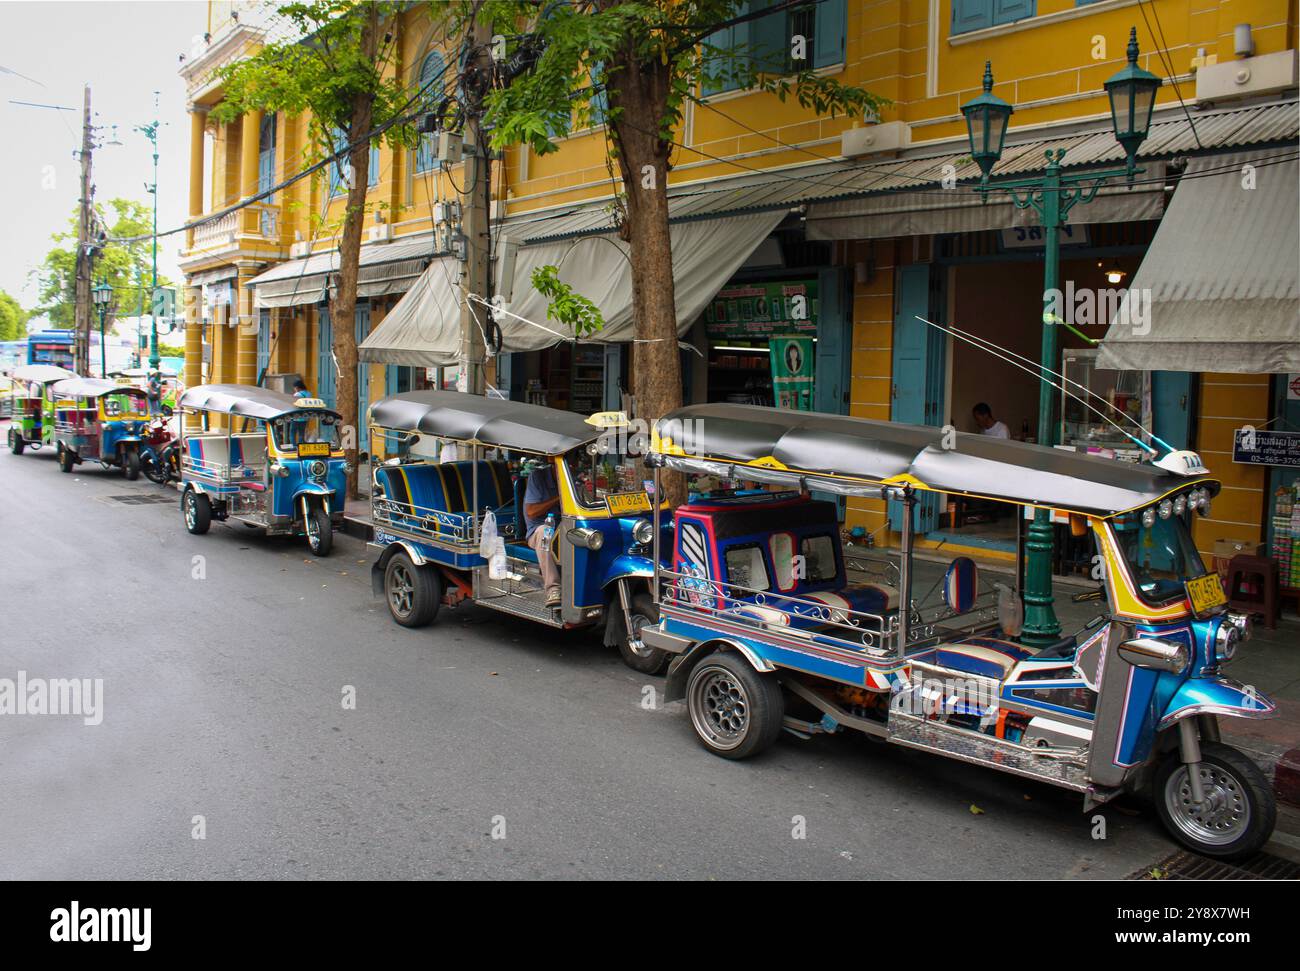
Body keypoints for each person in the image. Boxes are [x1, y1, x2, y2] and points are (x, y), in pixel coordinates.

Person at [523, 460, 562, 607]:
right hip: (538, 529)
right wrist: (559, 498)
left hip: (563, 525)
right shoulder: (537, 476)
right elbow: (531, 512)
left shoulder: (573, 477)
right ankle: (553, 589)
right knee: (546, 533)